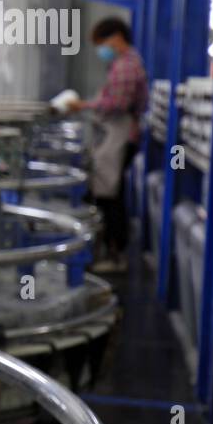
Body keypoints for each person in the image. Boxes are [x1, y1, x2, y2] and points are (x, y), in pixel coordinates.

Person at [68, 18, 148, 273]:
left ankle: (116, 256)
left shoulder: (125, 66)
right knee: (108, 194)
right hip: (118, 136)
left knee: (110, 198)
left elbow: (117, 105)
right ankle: (110, 251)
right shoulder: (124, 63)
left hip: (120, 137)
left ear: (116, 38)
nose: (101, 49)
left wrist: (84, 106)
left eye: (102, 43)